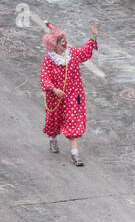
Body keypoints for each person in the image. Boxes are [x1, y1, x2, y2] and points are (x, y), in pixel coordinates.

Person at [41, 23, 99, 166]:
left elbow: (85, 53)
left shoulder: (72, 53)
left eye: (64, 41)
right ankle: (53, 140)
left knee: (73, 119)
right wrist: (54, 89)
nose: (65, 43)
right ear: (54, 45)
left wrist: (94, 37)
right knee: (54, 119)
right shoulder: (49, 59)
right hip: (55, 96)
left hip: (74, 94)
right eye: (61, 42)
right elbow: (44, 77)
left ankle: (75, 154)